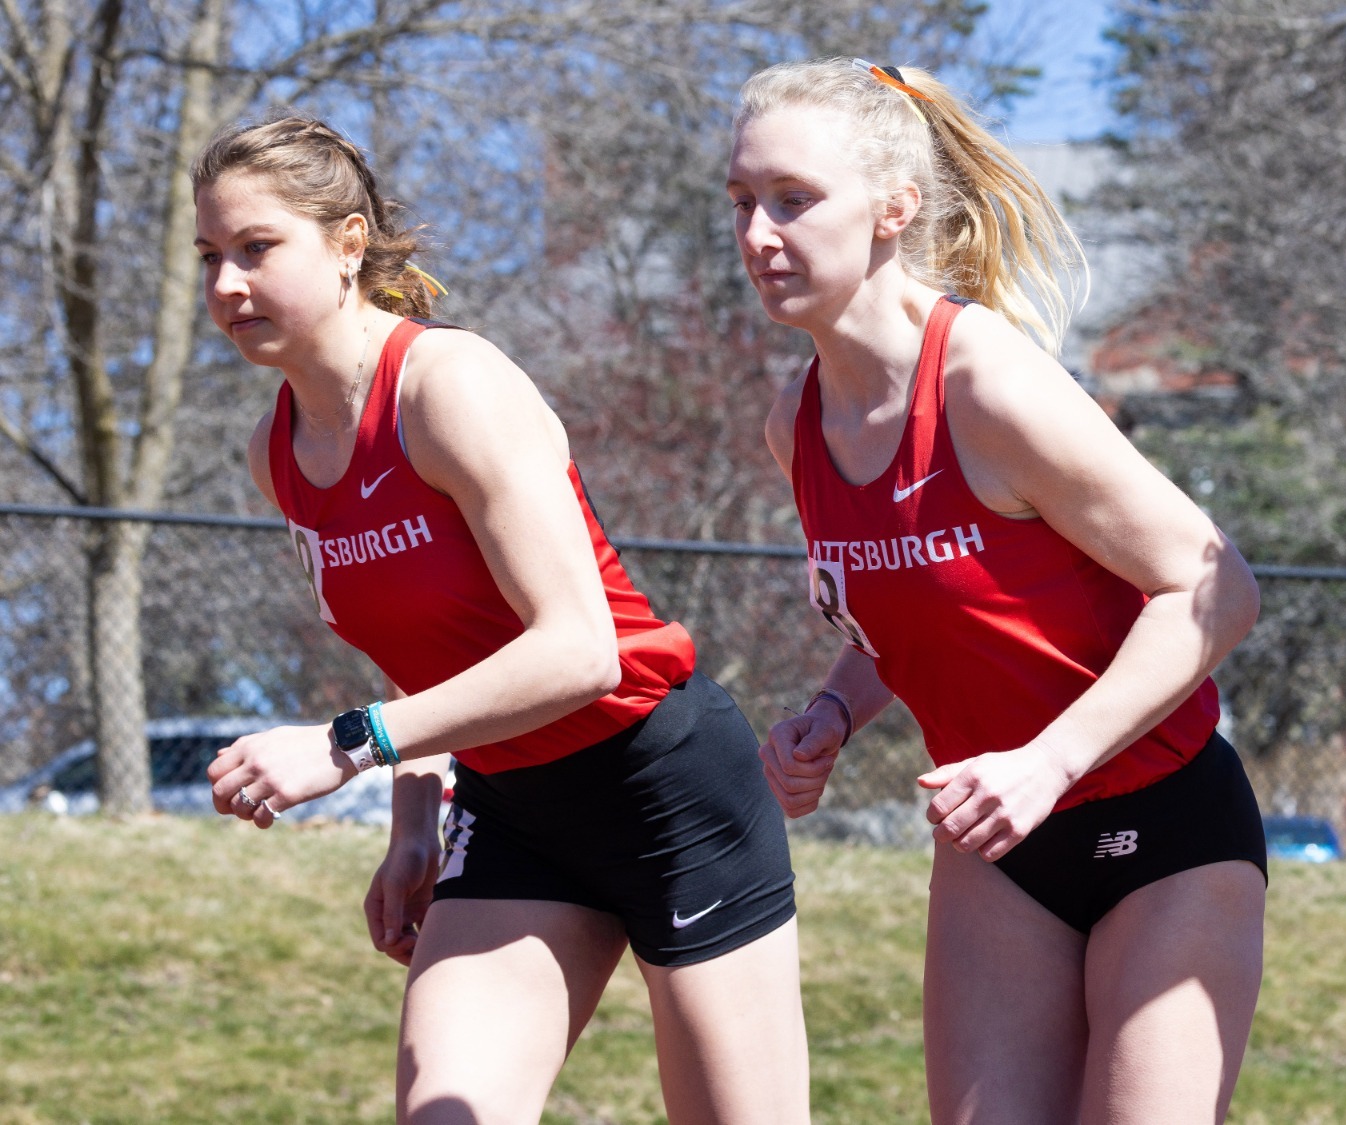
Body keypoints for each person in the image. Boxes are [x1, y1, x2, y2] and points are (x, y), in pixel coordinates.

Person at [194, 115, 808, 1125]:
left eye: (257, 249)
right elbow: (425, 652)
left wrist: (349, 747)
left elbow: (579, 650)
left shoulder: (449, 385)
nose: (225, 286)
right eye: (210, 256)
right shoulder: (281, 449)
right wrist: (410, 822)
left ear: (349, 244)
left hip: (664, 790)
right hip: (515, 811)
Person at [731, 59, 1268, 1124]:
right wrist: (834, 710)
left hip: (1160, 828)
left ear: (895, 208)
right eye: (741, 203)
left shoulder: (985, 383)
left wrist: (1048, 760)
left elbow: (1213, 590)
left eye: (793, 201)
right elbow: (911, 610)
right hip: (998, 847)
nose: (757, 235)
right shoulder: (793, 422)